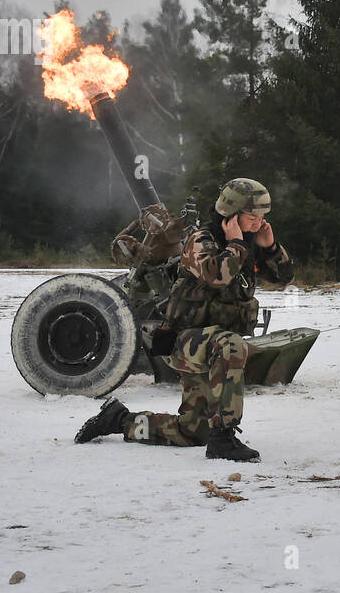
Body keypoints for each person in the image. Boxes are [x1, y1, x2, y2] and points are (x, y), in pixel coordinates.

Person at [75, 178, 294, 459]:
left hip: (209, 348)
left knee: (191, 432)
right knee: (231, 345)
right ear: (231, 215)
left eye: (262, 217)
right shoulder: (202, 242)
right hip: (185, 342)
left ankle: (119, 420)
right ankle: (224, 439)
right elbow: (217, 275)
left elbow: (283, 278)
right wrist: (237, 243)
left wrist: (271, 247)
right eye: (252, 216)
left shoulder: (246, 246)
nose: (258, 222)